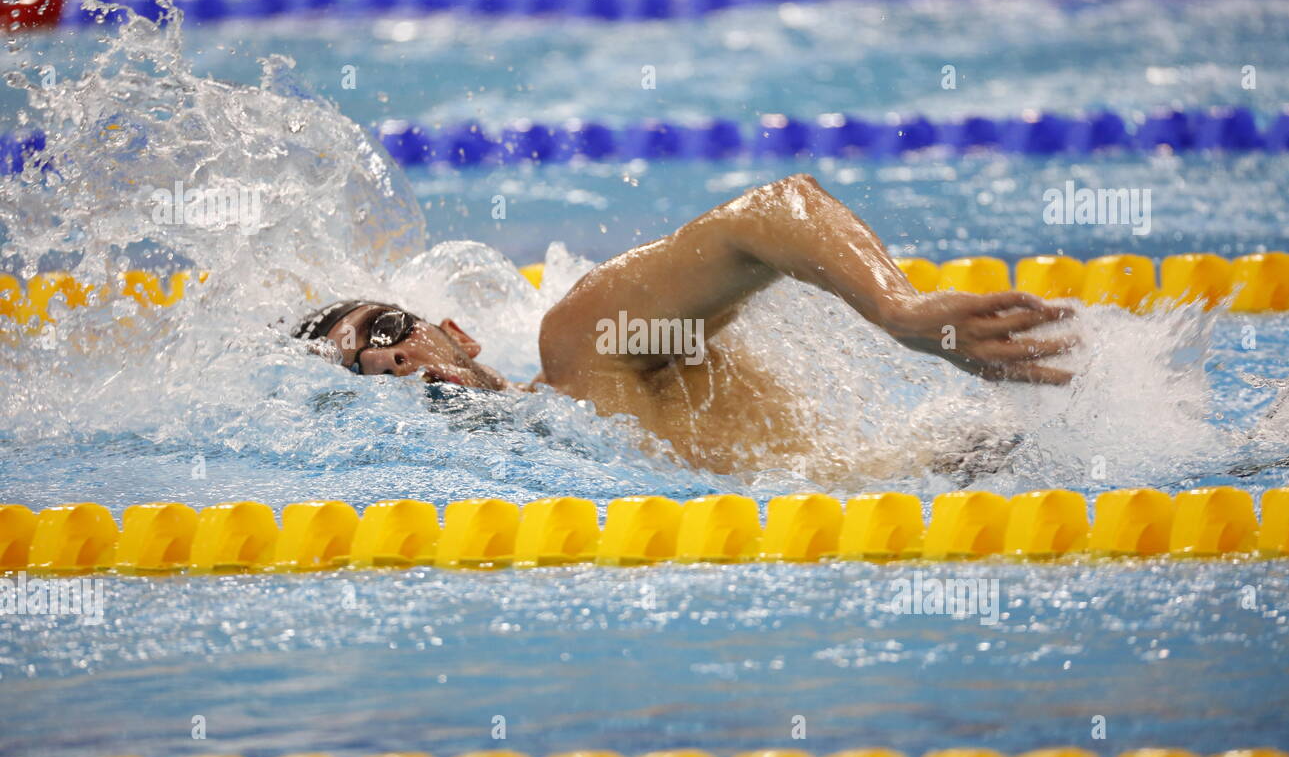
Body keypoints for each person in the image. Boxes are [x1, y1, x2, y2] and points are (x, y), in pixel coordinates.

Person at [294, 174, 1075, 474]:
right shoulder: (522, 482)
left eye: (389, 327)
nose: (390, 359)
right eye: (360, 371)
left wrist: (897, 311)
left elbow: (770, 212)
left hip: (1004, 468)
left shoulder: (581, 350)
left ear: (458, 334)